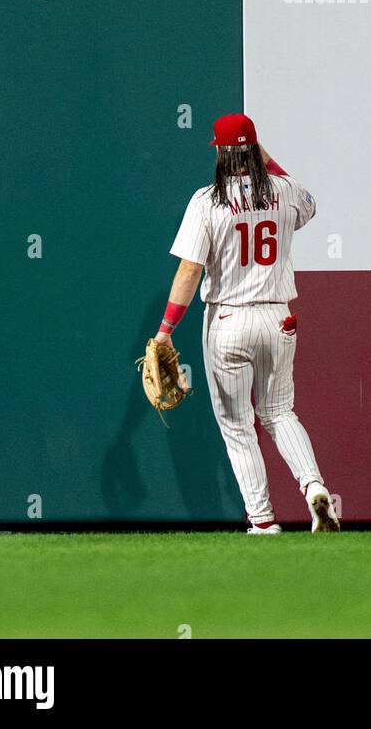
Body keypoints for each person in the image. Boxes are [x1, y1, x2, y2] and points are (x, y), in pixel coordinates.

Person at [155, 112, 340, 536]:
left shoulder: (207, 201)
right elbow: (308, 204)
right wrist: (265, 156)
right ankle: (314, 486)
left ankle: (262, 520)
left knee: (239, 426)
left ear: (219, 153)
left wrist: (165, 330)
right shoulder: (284, 189)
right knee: (279, 413)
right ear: (256, 149)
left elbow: (189, 271)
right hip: (279, 318)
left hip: (229, 319)